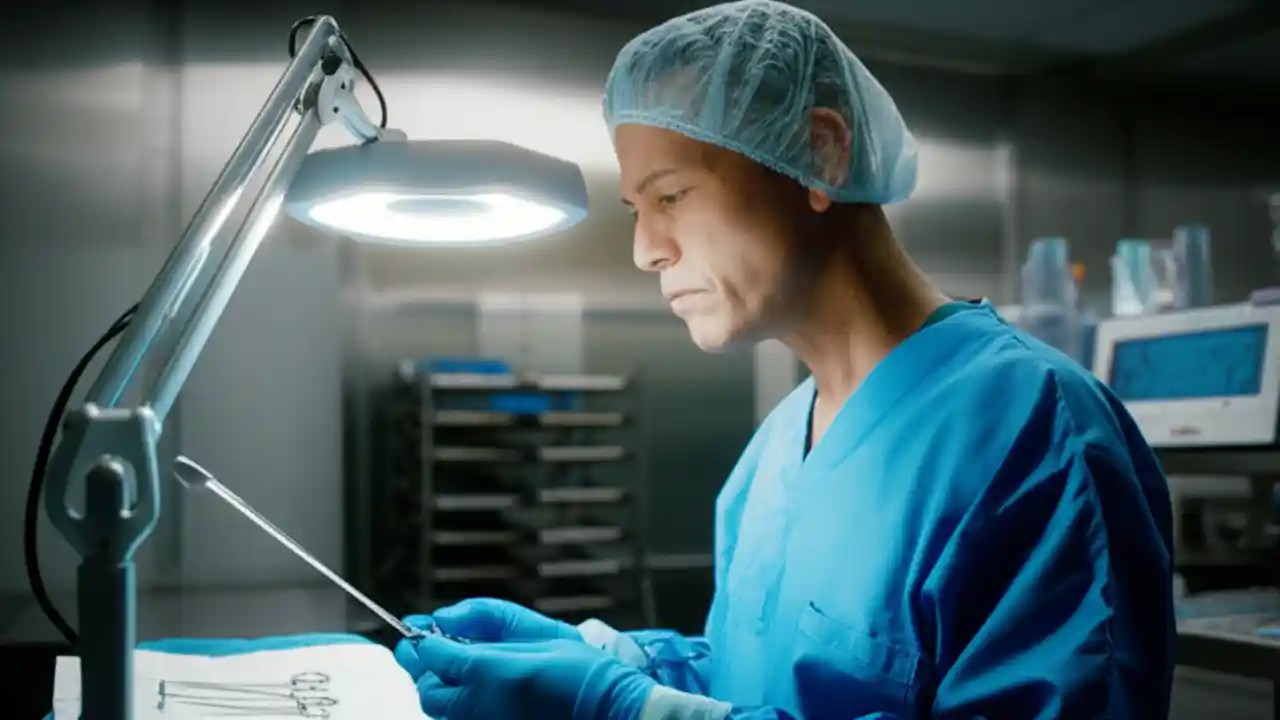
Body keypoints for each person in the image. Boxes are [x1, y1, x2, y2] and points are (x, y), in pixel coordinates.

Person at [393, 1, 1175, 718]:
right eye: (636, 210)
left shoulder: (1038, 435)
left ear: (820, 155)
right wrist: (615, 662)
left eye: (672, 196)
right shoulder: (770, 458)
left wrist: (630, 712)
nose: (645, 250)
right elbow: (759, 683)